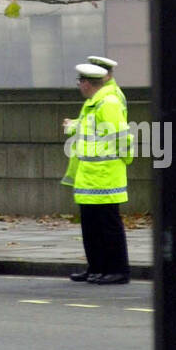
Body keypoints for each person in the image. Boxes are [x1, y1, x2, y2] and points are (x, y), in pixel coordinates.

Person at [61, 62, 131, 284]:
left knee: (108, 226)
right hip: (90, 177)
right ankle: (97, 267)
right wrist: (72, 126)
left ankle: (117, 270)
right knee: (92, 227)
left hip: (105, 177)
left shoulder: (107, 103)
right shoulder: (93, 103)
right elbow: (89, 129)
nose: (79, 86)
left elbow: (123, 136)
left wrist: (125, 159)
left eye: (80, 81)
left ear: (87, 84)